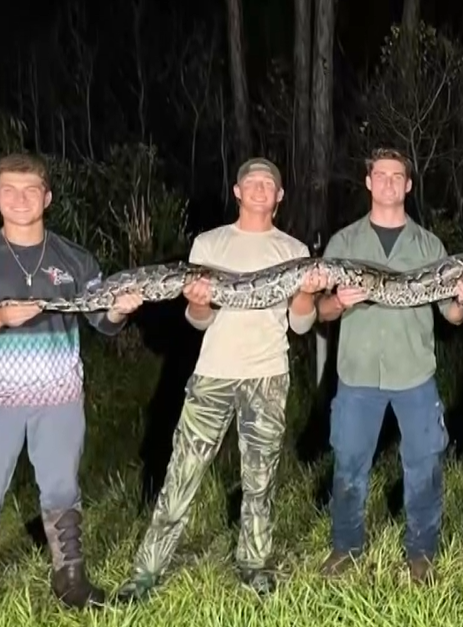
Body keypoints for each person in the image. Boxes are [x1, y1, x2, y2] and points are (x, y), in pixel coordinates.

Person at [0, 153, 144, 625]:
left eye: (31, 191)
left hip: (59, 399)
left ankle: (72, 583)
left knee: (62, 489)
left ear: (46, 197)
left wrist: (120, 309)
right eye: (9, 190)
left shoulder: (74, 259)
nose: (20, 199)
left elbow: (100, 322)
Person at [113, 158, 328, 602]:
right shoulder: (208, 243)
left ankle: (255, 564)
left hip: (268, 375)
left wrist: (306, 292)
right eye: (251, 181)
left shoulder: (294, 250)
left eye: (268, 183)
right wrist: (197, 302)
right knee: (182, 474)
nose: (259, 188)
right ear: (237, 190)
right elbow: (198, 322)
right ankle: (147, 571)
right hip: (212, 375)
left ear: (279, 196)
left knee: (260, 479)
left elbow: (302, 327)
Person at [316, 147, 463, 584]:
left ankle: (421, 553)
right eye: (381, 175)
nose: (389, 182)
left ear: (408, 185)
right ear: (369, 182)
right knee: (350, 463)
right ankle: (345, 548)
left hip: (415, 376)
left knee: (424, 464)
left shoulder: (430, 246)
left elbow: (452, 315)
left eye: (398, 176)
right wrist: (338, 300)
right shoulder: (344, 244)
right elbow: (322, 312)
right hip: (357, 375)